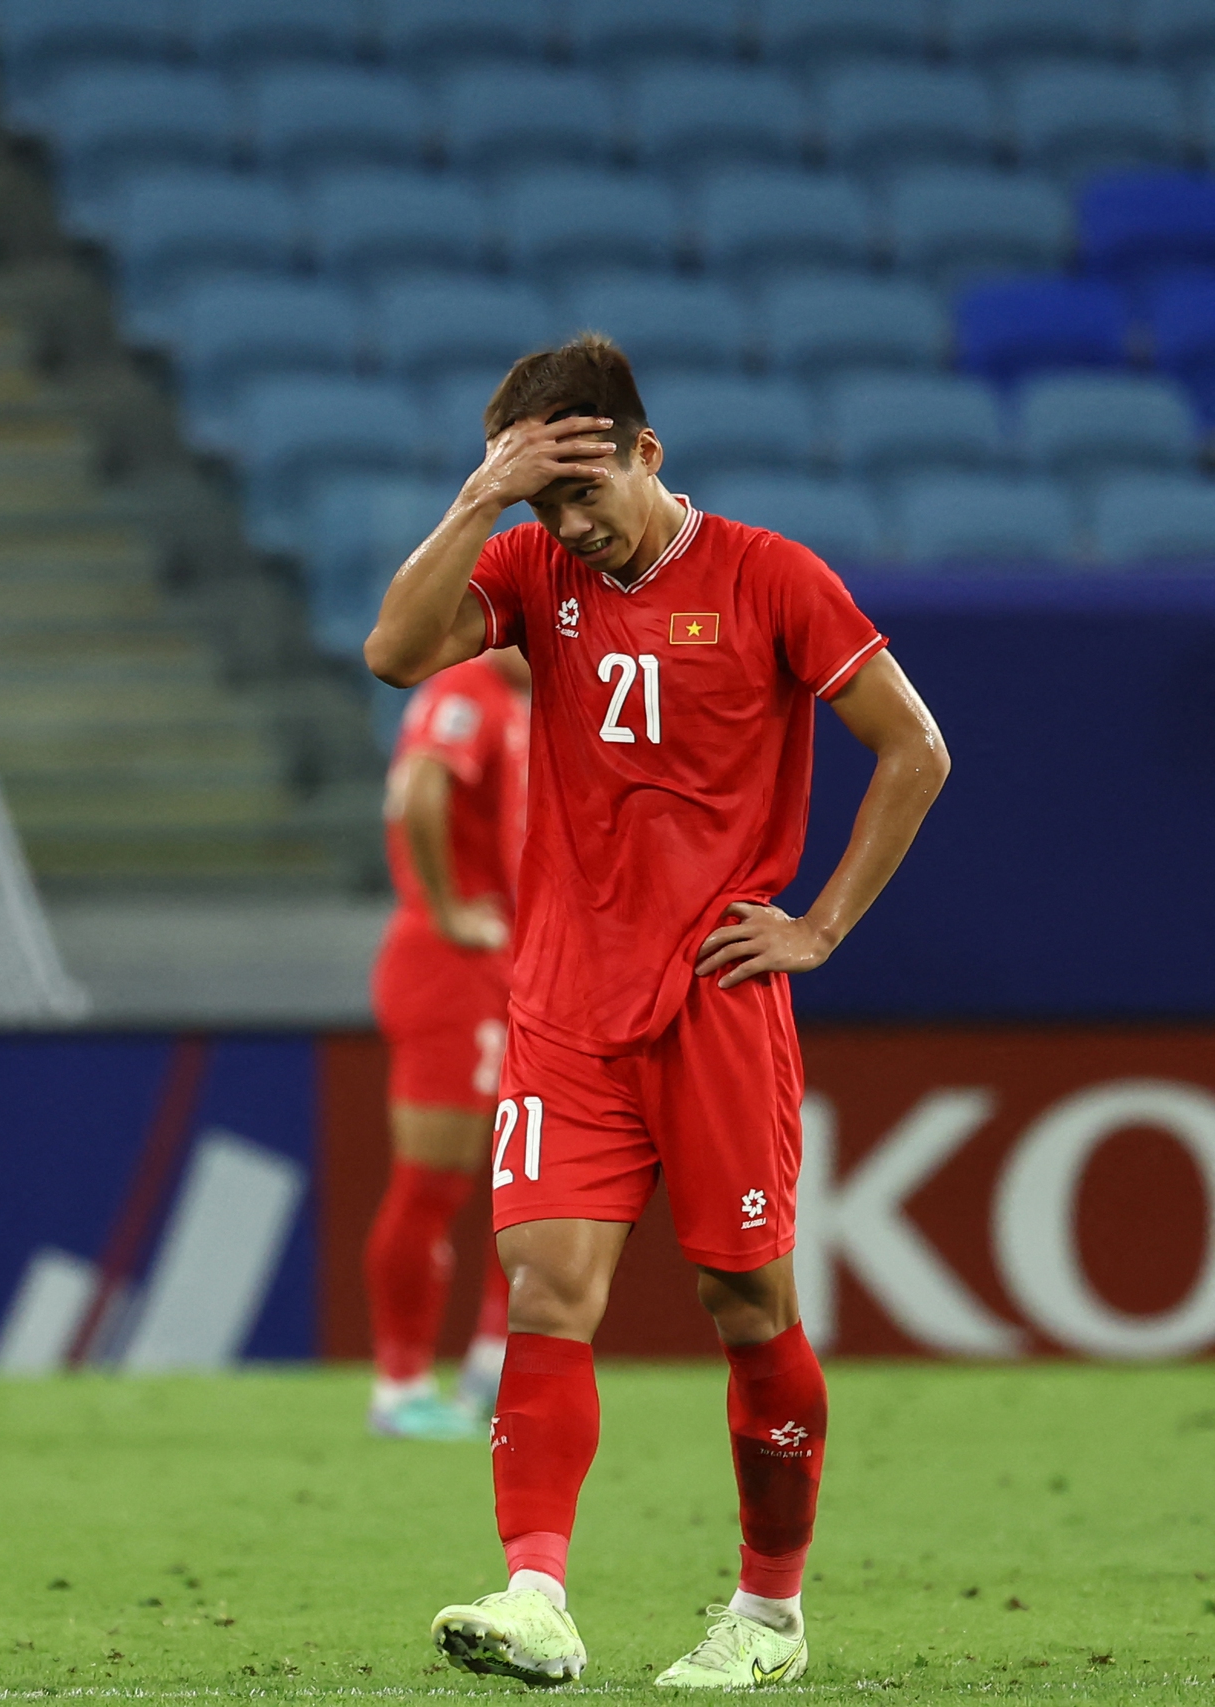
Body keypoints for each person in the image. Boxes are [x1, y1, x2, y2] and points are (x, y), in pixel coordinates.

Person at [362, 335, 949, 1690]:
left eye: (586, 491)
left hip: (717, 1001)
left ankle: (768, 1613)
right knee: (545, 1291)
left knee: (747, 1305)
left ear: (649, 453)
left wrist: (819, 925)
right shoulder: (529, 567)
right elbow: (396, 651)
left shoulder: (771, 576)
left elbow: (915, 746)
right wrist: (478, 501)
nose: (570, 524)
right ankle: (537, 1592)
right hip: (565, 1001)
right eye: (544, 499)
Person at [363, 645, 529, 1439]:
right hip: (448, 963)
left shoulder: (535, 702)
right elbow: (418, 788)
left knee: (523, 1175)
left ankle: (496, 1363)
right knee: (434, 1181)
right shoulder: (466, 690)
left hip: (510, 962)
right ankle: (399, 1386)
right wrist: (448, 906)